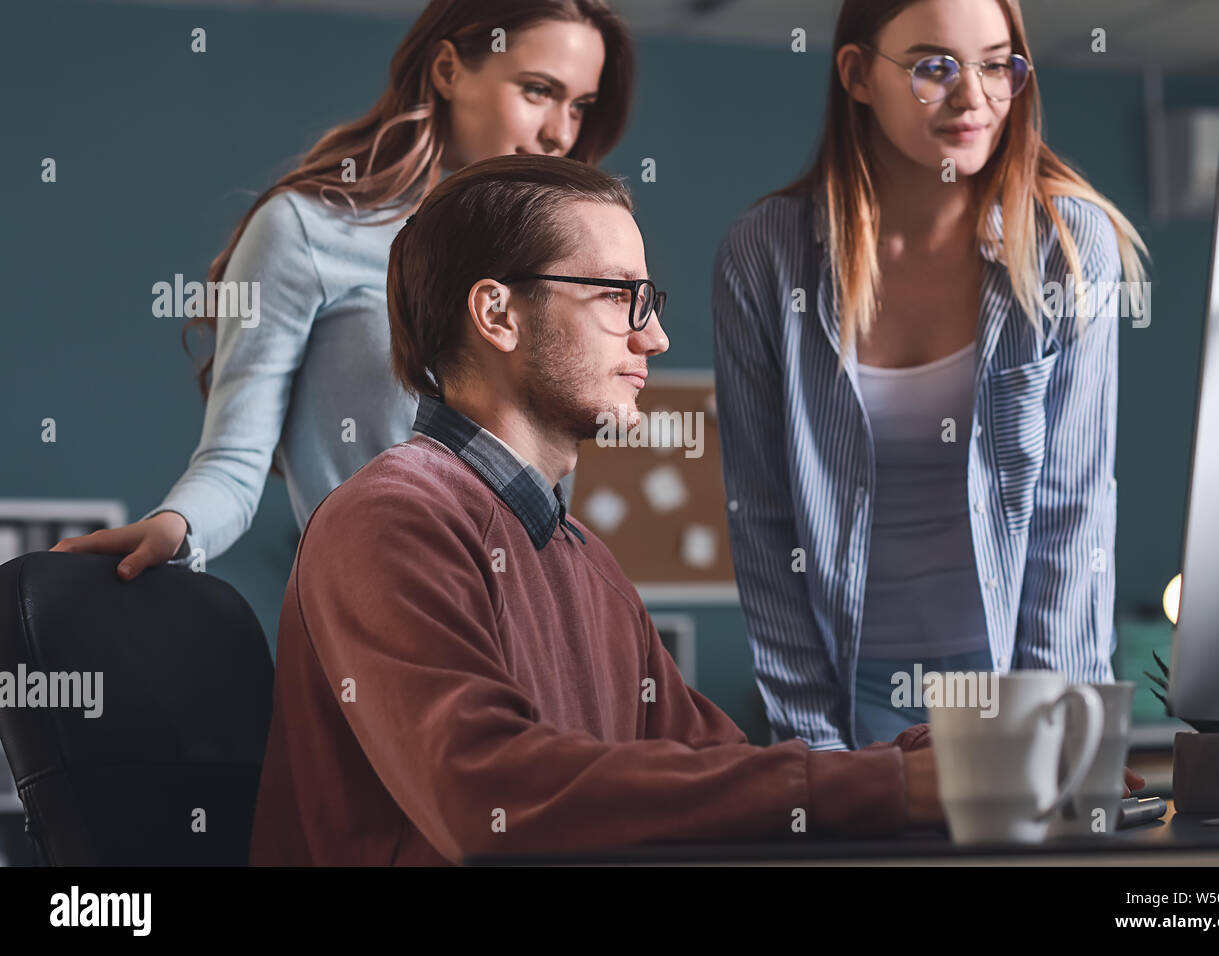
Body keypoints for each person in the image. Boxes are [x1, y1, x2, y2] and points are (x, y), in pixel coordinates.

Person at [249, 155, 943, 866]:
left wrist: (937, 757)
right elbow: (490, 800)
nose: (654, 339)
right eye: (618, 297)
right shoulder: (388, 521)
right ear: (498, 314)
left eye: (650, 303)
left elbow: (717, 772)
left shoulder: (583, 556)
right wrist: (893, 784)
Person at [712, 0, 1148, 804]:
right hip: (850, 699)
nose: (974, 96)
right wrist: (820, 763)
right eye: (933, 66)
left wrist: (1065, 747)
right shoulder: (764, 256)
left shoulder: (1065, 241)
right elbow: (765, 530)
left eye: (996, 63)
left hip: (1018, 693)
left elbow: (1071, 514)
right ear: (856, 76)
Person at [51, 0, 632, 577]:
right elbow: (233, 462)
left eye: (580, 106)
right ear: (449, 70)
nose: (559, 132)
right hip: (379, 614)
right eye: (537, 91)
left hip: (530, 616)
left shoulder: (547, 262)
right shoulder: (307, 229)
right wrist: (175, 528)